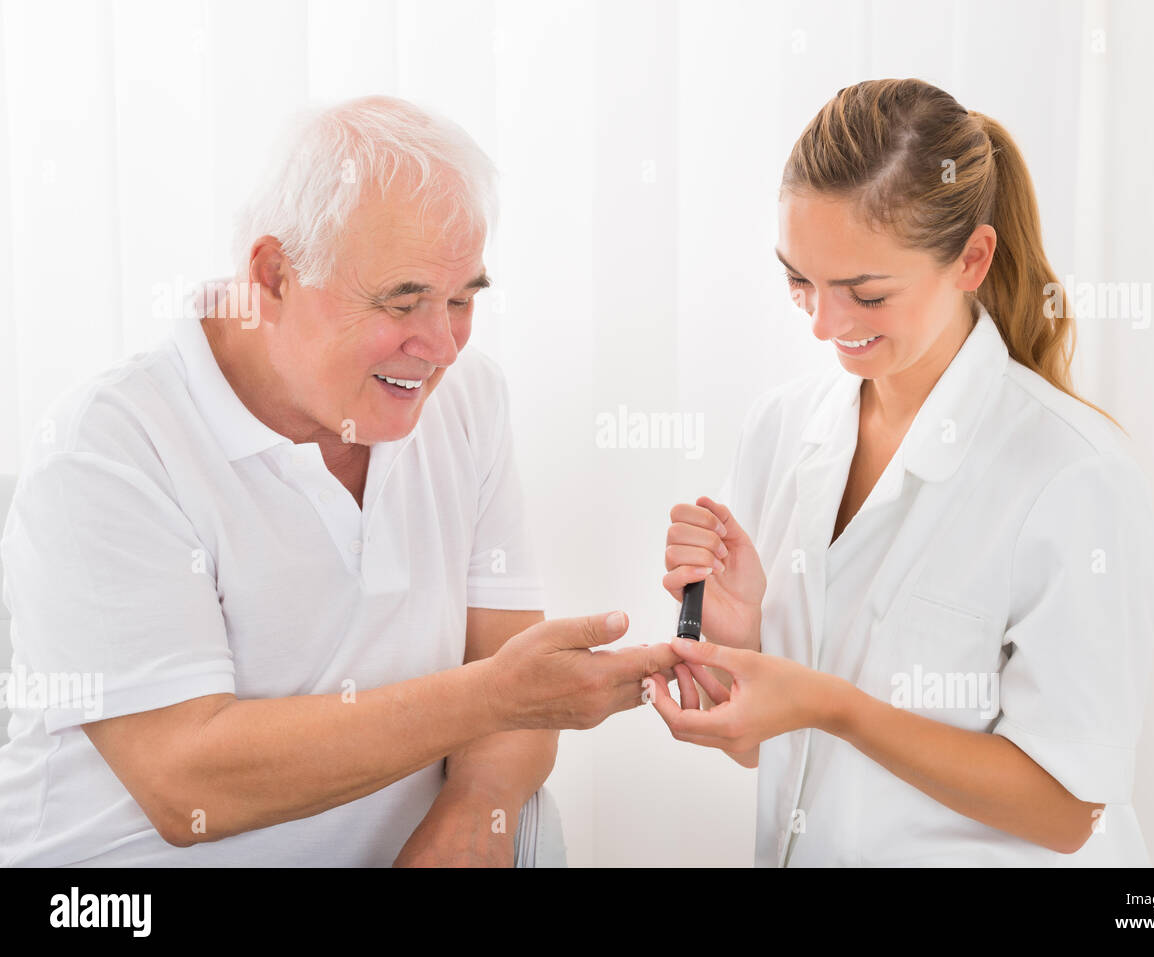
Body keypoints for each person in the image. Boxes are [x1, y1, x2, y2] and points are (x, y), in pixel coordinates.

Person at [0, 95, 678, 867]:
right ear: (273, 275)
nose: (442, 344)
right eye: (404, 300)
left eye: (462, 300)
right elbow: (188, 783)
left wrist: (476, 805)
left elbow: (512, 678)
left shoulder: (465, 400)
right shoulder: (108, 450)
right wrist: (496, 694)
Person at [649, 78, 1154, 867]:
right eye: (800, 281)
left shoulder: (1075, 474)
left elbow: (1070, 812)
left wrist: (831, 704)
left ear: (972, 258)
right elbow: (772, 755)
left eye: (865, 292)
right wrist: (736, 639)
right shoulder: (782, 428)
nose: (824, 324)